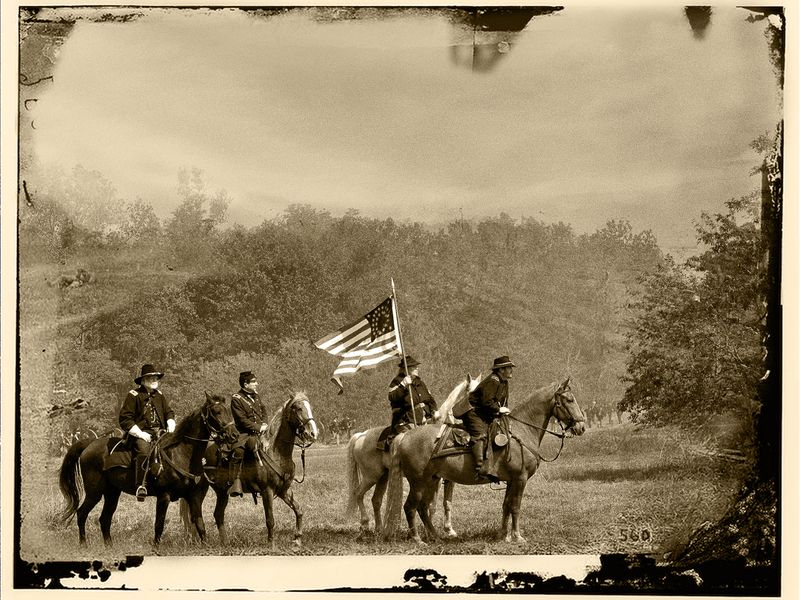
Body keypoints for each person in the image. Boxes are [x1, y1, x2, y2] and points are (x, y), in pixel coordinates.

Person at [119, 364, 175, 501]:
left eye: (155, 377)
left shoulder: (159, 395)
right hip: (141, 433)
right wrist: (140, 434)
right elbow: (125, 418)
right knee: (144, 451)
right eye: (150, 377)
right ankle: (140, 485)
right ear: (143, 380)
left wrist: (170, 422)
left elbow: (168, 411)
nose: (154, 379)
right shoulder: (134, 395)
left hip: (161, 433)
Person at [462, 356, 515, 479]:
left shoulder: (504, 382)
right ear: (501, 370)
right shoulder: (493, 380)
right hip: (474, 413)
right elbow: (487, 402)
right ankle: (480, 468)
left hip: (487, 413)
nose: (511, 370)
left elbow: (503, 402)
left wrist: (504, 411)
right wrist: (498, 409)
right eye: (509, 368)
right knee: (480, 435)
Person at [229, 371, 269, 497]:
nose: (257, 384)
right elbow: (242, 420)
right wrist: (258, 427)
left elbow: (263, 411)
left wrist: (265, 424)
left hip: (260, 431)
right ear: (246, 384)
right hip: (244, 434)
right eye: (254, 382)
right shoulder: (236, 399)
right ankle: (235, 482)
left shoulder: (256, 396)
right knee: (239, 451)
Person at [388, 355, 439, 437]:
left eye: (416, 366)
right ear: (406, 369)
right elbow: (392, 397)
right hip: (408, 420)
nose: (417, 368)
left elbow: (430, 399)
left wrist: (435, 410)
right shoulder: (397, 382)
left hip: (427, 418)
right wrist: (403, 385)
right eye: (414, 367)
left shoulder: (420, 382)